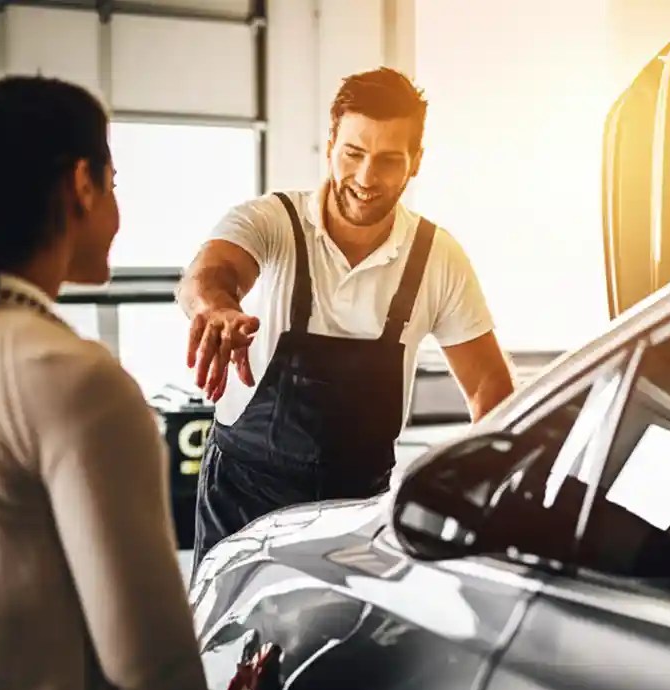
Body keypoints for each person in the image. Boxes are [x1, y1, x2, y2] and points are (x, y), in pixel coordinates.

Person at [0, 78, 217, 690]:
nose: (119, 209)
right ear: (82, 185)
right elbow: (159, 681)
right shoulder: (75, 380)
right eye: (115, 183)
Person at [179, 67, 515, 568]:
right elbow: (211, 272)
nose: (365, 178)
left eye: (387, 161)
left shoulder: (437, 258)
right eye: (353, 154)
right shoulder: (274, 222)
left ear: (415, 163)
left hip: (358, 514)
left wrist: (486, 485)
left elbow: (489, 383)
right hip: (244, 500)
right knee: (232, 646)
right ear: (331, 142)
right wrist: (217, 308)